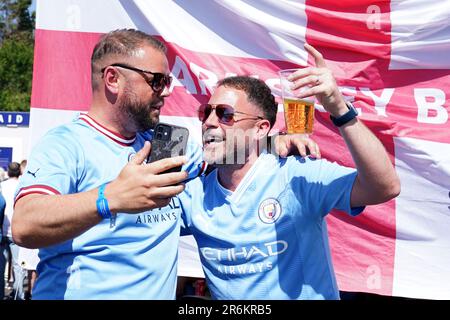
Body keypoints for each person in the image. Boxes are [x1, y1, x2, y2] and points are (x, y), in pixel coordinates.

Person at [12, 29, 318, 300]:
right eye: (157, 81)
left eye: (168, 81)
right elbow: (25, 225)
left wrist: (269, 143)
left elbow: (218, 156)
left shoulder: (165, 144)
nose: (168, 91)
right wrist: (111, 198)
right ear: (113, 79)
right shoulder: (66, 144)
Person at [179, 44, 401, 299]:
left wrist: (340, 109)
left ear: (261, 129)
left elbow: (384, 187)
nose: (209, 122)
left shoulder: (295, 175)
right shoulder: (193, 192)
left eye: (225, 114)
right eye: (206, 112)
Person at [1, 162, 25, 299]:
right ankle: (18, 296)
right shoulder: (21, 187)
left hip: (2, 230)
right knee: (18, 266)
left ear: (8, 172)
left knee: (1, 267)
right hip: (16, 231)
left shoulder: (2, 186)